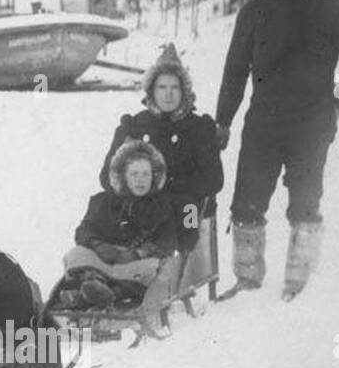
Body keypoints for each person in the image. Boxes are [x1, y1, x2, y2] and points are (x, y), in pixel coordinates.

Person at [215, 0, 339, 301]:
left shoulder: (330, 10)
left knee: (305, 202)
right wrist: (223, 121)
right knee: (246, 203)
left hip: (311, 124)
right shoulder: (252, 13)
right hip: (262, 123)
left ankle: (300, 284)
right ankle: (248, 281)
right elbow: (234, 71)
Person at [99, 43, 223, 254]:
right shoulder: (134, 125)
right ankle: (106, 264)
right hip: (142, 202)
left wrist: (171, 185)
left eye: (175, 88)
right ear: (151, 91)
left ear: (184, 91)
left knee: (188, 215)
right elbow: (108, 176)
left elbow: (213, 180)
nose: (168, 95)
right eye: (162, 88)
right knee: (104, 208)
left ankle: (179, 265)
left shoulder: (200, 128)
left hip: (189, 207)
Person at [61, 139, 182, 337]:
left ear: (154, 177)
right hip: (106, 260)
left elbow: (168, 242)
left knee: (156, 268)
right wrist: (97, 245)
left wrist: (137, 253)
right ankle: (94, 285)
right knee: (76, 254)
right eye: (134, 174)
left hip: (137, 264)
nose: (140, 180)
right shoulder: (103, 201)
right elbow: (84, 230)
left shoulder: (163, 206)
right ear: (123, 176)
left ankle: (100, 295)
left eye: (145, 174)